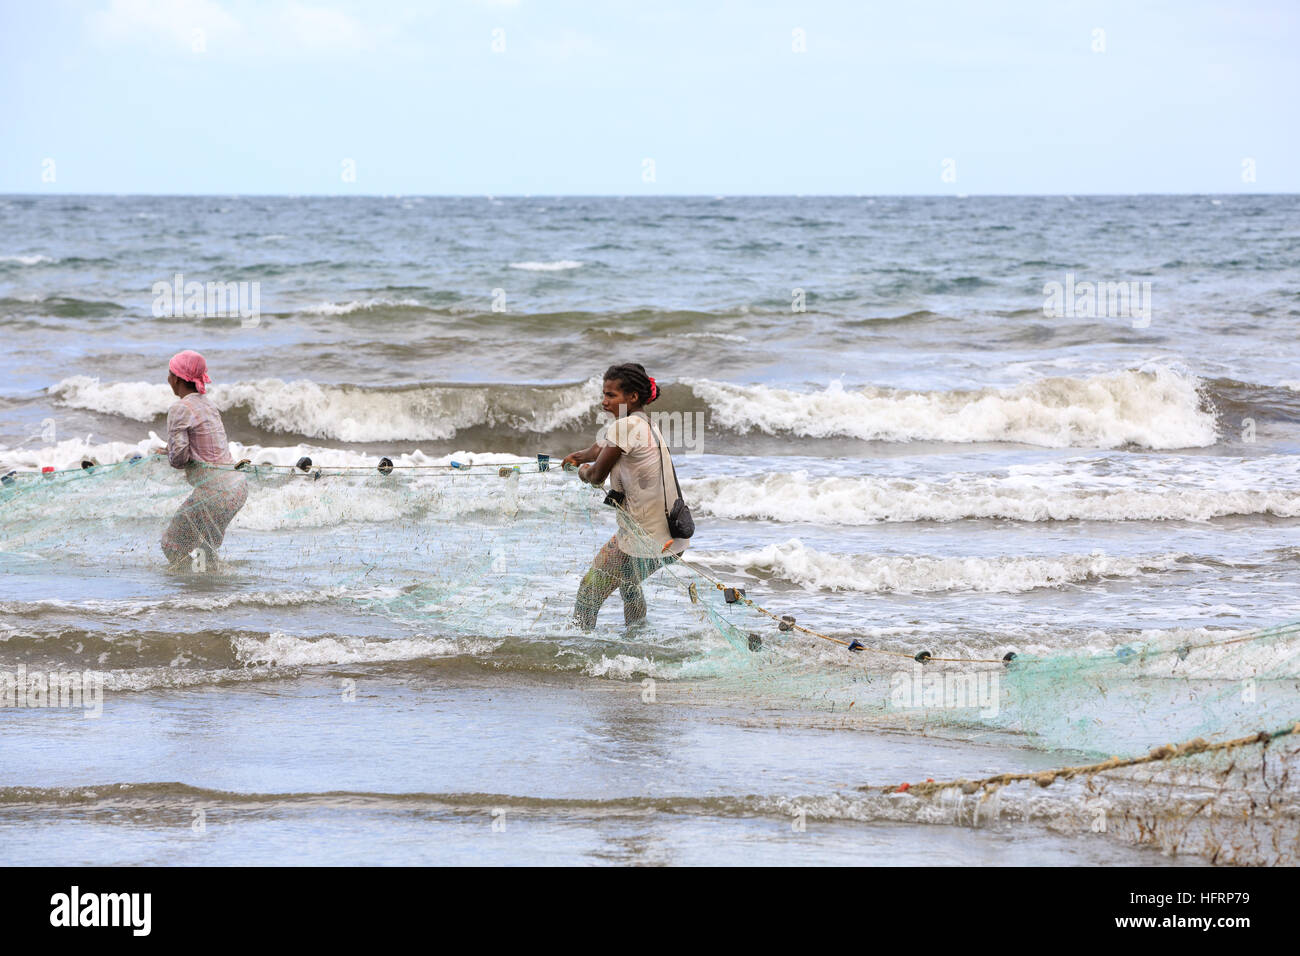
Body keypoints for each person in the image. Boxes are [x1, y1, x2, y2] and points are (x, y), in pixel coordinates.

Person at [562, 363, 687, 628]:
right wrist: (579, 456)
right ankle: (637, 640)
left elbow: (597, 477)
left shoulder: (625, 426)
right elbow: (602, 447)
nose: (604, 402)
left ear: (632, 397)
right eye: (604, 395)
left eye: (611, 396)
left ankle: (578, 646)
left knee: (589, 592)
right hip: (671, 534)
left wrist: (583, 471)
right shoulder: (644, 424)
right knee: (629, 585)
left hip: (647, 538)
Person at [155, 350, 247, 568]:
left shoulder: (180, 408)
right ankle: (210, 591)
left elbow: (179, 459)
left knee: (172, 544)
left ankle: (195, 585)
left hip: (214, 492)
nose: (168, 380)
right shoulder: (208, 404)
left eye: (170, 375)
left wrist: (168, 451)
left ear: (176, 378)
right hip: (237, 489)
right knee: (204, 548)